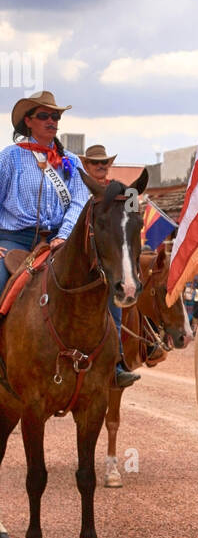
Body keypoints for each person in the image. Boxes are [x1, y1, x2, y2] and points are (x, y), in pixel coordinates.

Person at [0, 90, 89, 295]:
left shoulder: (72, 161)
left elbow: (80, 202)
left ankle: (116, 325)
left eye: (55, 116)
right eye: (43, 116)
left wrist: (64, 235)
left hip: (59, 239)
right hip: (15, 238)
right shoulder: (9, 157)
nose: (51, 121)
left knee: (98, 279)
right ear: (28, 121)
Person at [79, 143, 140, 389]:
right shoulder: (79, 188)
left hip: (113, 256)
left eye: (105, 162)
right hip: (81, 255)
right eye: (95, 163)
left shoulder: (123, 192)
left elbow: (134, 223)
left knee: (142, 285)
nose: (101, 166)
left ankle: (119, 362)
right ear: (86, 165)